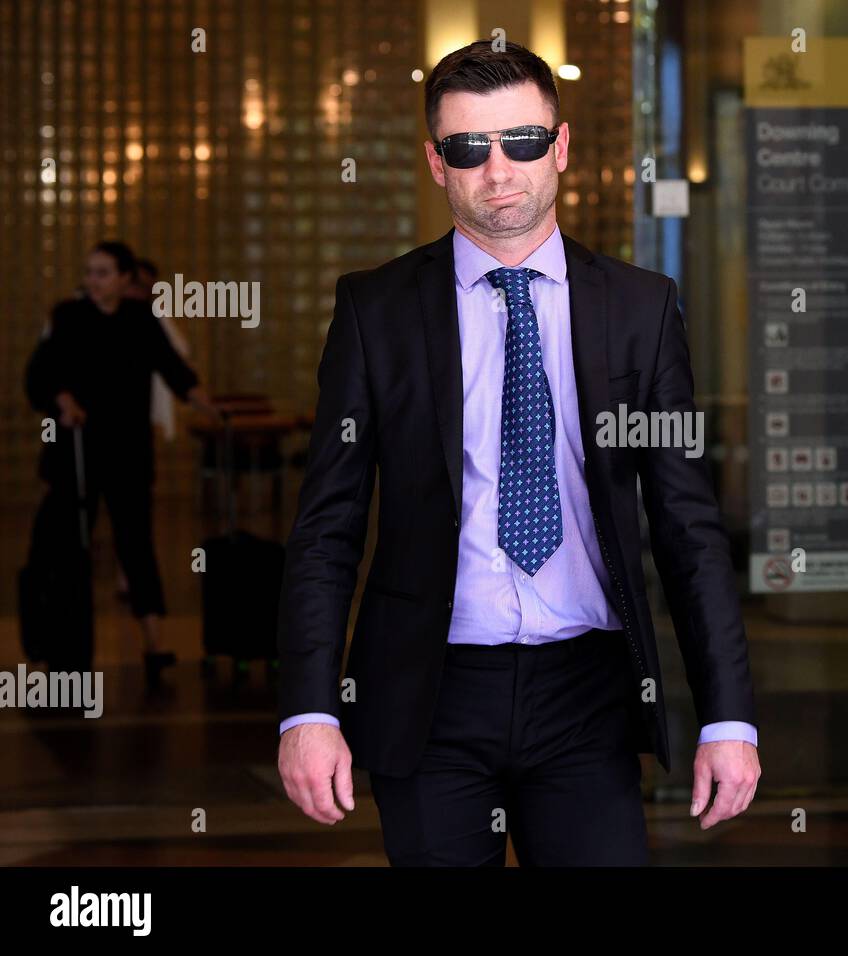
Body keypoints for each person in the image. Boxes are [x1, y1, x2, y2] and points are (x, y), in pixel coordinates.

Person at [276, 39, 761, 866]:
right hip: (428, 693)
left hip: (588, 695)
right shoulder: (375, 311)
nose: (498, 170)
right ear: (437, 163)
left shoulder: (643, 311)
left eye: (522, 142)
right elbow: (327, 529)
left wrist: (728, 716)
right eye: (469, 147)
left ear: (560, 147)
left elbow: (687, 525)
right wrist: (309, 712)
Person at [24, 240, 222, 687]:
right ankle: (64, 650)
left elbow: (172, 367)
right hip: (75, 451)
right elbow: (39, 373)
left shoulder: (140, 320)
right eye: (90, 272)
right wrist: (63, 399)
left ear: (125, 279)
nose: (93, 281)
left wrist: (199, 399)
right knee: (68, 546)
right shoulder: (68, 317)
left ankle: (155, 643)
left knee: (136, 542)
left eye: (102, 273)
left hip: (128, 450)